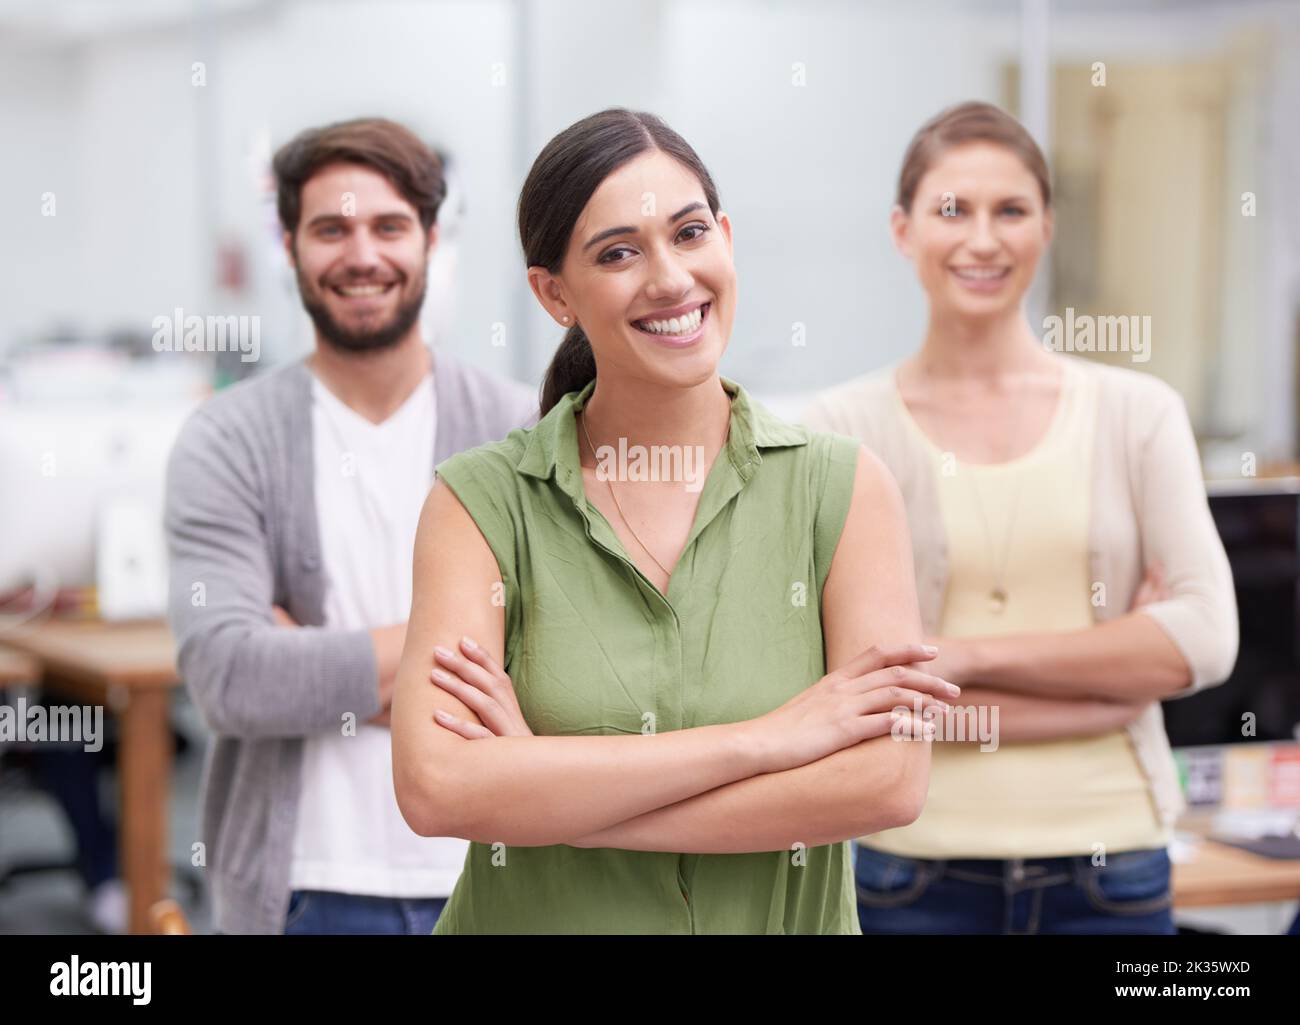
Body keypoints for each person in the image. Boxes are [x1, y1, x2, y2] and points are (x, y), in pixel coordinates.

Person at [390, 108, 955, 935]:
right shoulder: (480, 502)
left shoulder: (843, 489)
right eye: (617, 252)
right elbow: (438, 788)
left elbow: (886, 784)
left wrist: (547, 790)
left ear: (725, 238)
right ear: (555, 295)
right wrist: (769, 739)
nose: (669, 277)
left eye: (690, 233)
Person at [802, 101, 1239, 934]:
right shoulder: (841, 428)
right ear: (902, 229)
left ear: (1046, 227)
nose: (983, 239)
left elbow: (1209, 636)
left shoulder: (1137, 412)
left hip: (1114, 863)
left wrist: (959, 655)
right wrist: (1112, 686)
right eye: (951, 210)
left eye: (1011, 210)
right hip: (908, 866)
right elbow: (848, 681)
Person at [164, 117, 536, 935]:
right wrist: (470, 656)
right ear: (290, 247)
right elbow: (232, 676)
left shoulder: (522, 429)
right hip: (299, 887)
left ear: (432, 240)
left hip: (496, 878)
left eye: (389, 226)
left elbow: (567, 660)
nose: (361, 255)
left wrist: (313, 656)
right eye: (330, 228)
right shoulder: (228, 437)